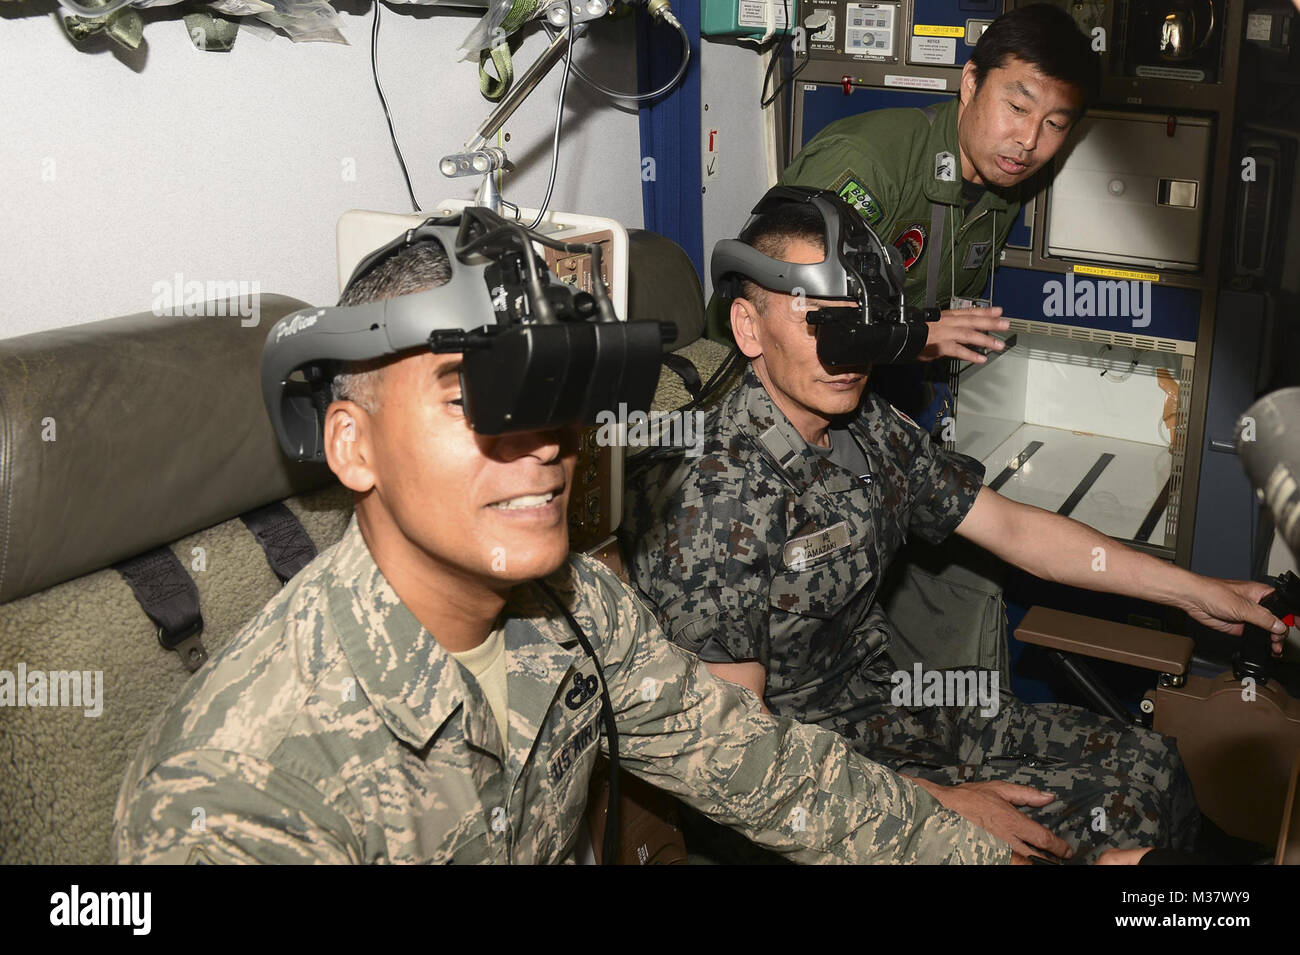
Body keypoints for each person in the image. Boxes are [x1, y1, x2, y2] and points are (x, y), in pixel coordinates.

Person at [111, 214, 1013, 865]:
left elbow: (773, 773)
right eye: (476, 393)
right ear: (352, 445)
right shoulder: (236, 792)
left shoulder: (575, 609)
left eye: (559, 393)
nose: (545, 440)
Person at [623, 198, 1290, 862]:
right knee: (1115, 815)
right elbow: (740, 758)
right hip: (813, 787)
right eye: (820, 319)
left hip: (887, 710)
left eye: (865, 319)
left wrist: (1200, 592)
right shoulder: (712, 496)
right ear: (748, 326)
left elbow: (1012, 527)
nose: (851, 346)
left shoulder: (862, 424)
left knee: (1151, 765)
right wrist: (929, 806)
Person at [706, 3, 1099, 415]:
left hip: (862, 376)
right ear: (970, 83)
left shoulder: (1005, 186)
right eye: (1017, 108)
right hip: (756, 382)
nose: (1029, 139)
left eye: (1054, 124)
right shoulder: (869, 163)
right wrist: (915, 335)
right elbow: (786, 315)